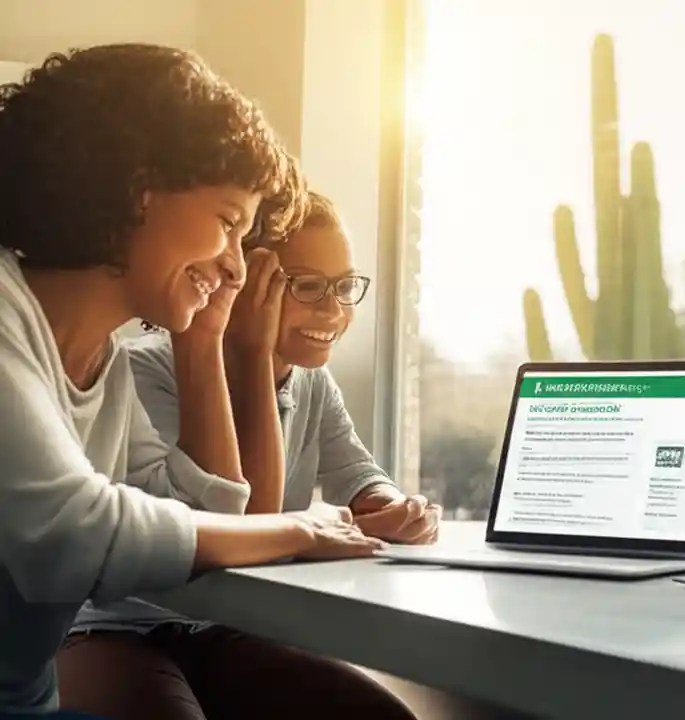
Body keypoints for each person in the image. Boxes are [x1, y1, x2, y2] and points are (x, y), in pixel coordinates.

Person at [0, 44, 391, 716]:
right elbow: (77, 535)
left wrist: (203, 337)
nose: (236, 267)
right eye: (228, 223)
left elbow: (195, 515)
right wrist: (299, 528)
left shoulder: (105, 366)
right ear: (138, 191)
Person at [56, 190, 434, 719]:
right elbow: (244, 523)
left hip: (222, 626)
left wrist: (391, 505)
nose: (333, 309)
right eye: (306, 286)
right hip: (112, 626)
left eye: (345, 286)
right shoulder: (148, 371)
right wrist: (253, 351)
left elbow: (356, 471)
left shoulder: (312, 384)